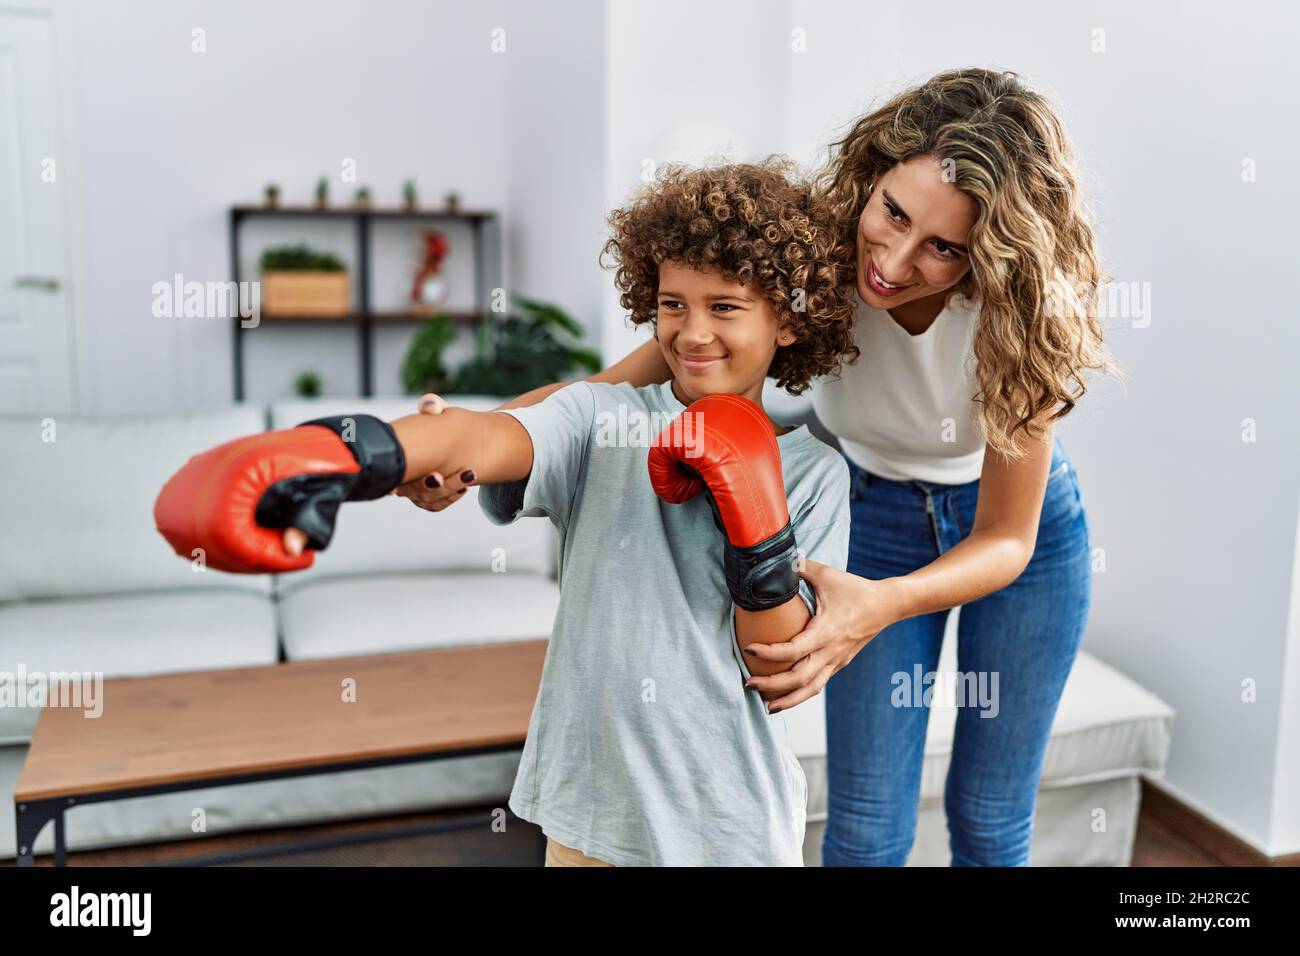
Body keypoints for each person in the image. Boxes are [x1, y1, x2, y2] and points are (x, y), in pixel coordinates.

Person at [397, 68, 1122, 867]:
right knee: (868, 826)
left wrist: (883, 606)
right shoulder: (810, 262)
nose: (894, 258)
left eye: (944, 247)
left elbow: (1009, 537)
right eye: (893, 213)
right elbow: (610, 387)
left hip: (1015, 539)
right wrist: (466, 444)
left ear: (993, 251)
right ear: (874, 172)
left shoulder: (1020, 314)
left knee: (990, 819)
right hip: (872, 509)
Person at [154, 159, 861, 866]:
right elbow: (483, 436)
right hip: (587, 811)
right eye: (672, 304)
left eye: (725, 307)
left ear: (791, 321)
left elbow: (777, 663)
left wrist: (759, 522)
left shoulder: (815, 474)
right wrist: (351, 453)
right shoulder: (601, 417)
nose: (691, 331)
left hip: (728, 824)